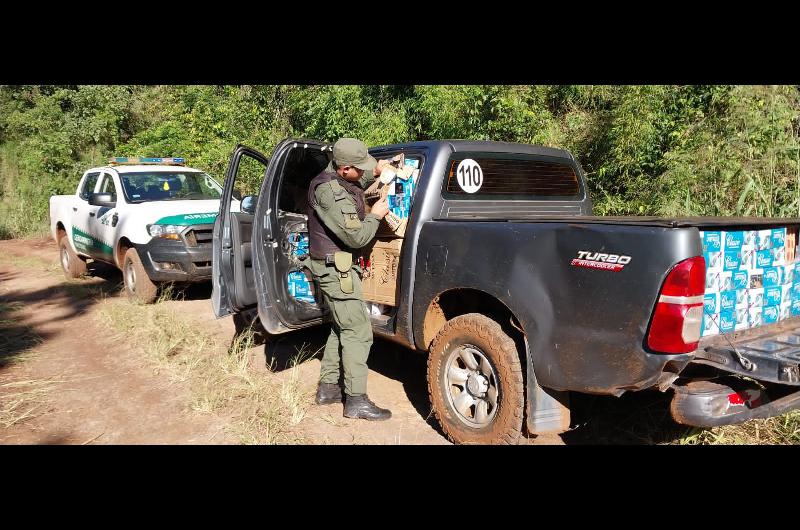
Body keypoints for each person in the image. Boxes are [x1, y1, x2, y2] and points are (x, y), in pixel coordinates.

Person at [306, 138, 392, 420]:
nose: (364, 172)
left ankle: (329, 388)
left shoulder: (337, 176)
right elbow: (356, 237)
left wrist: (377, 170)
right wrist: (375, 216)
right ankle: (356, 401)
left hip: (336, 267)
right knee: (358, 331)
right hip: (336, 271)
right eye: (360, 168)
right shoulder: (329, 191)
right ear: (344, 169)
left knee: (342, 326)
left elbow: (358, 178)